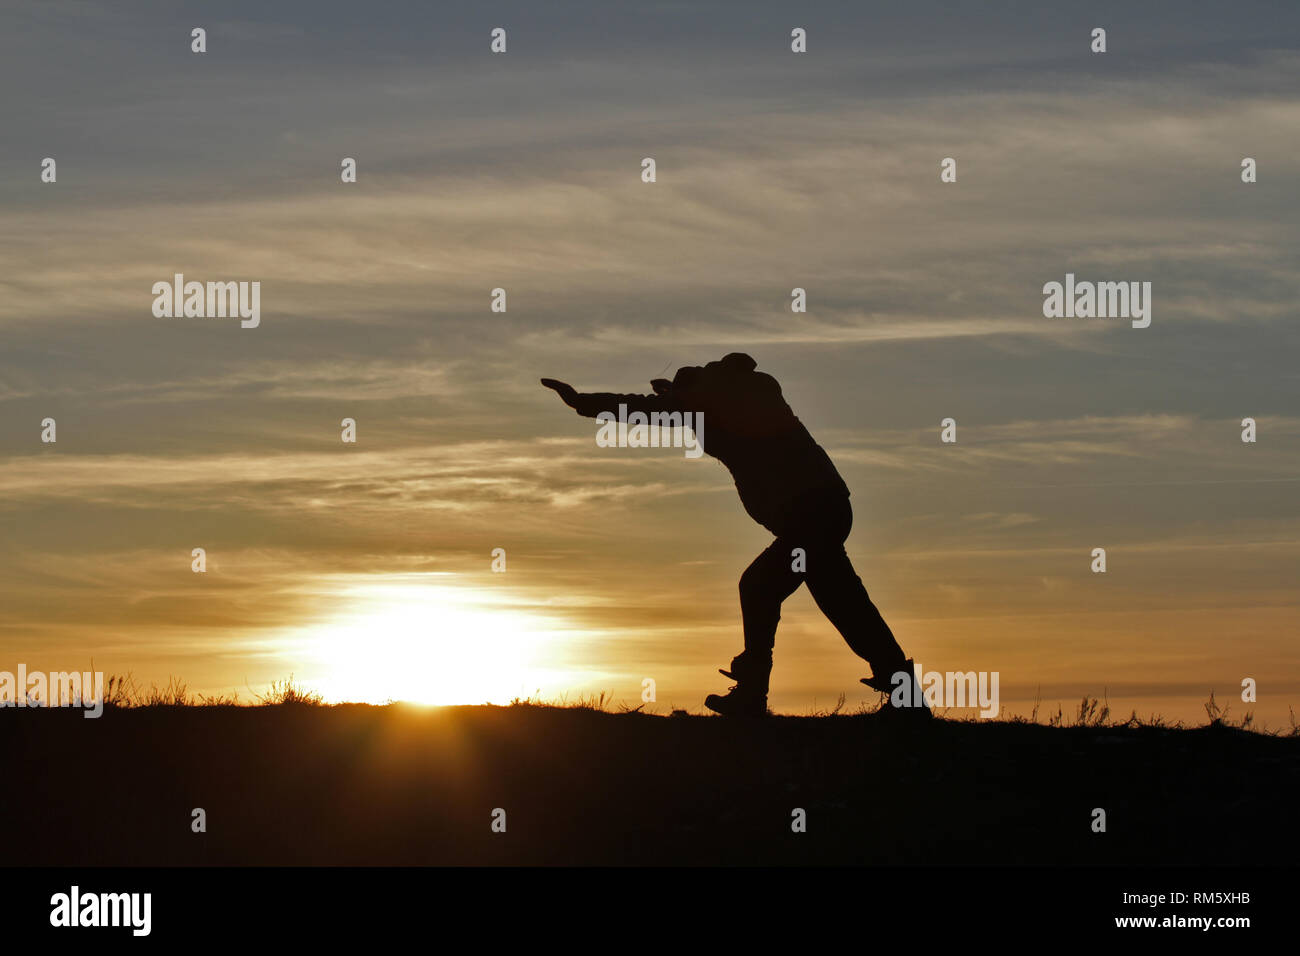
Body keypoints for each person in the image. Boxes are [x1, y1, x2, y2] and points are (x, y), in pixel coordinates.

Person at [542, 352, 927, 719]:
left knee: (771, 589)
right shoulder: (746, 391)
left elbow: (643, 407)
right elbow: (675, 404)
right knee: (836, 599)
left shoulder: (706, 402)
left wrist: (581, 402)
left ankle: (755, 692)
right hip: (826, 509)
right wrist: (677, 396)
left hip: (809, 516)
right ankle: (900, 694)